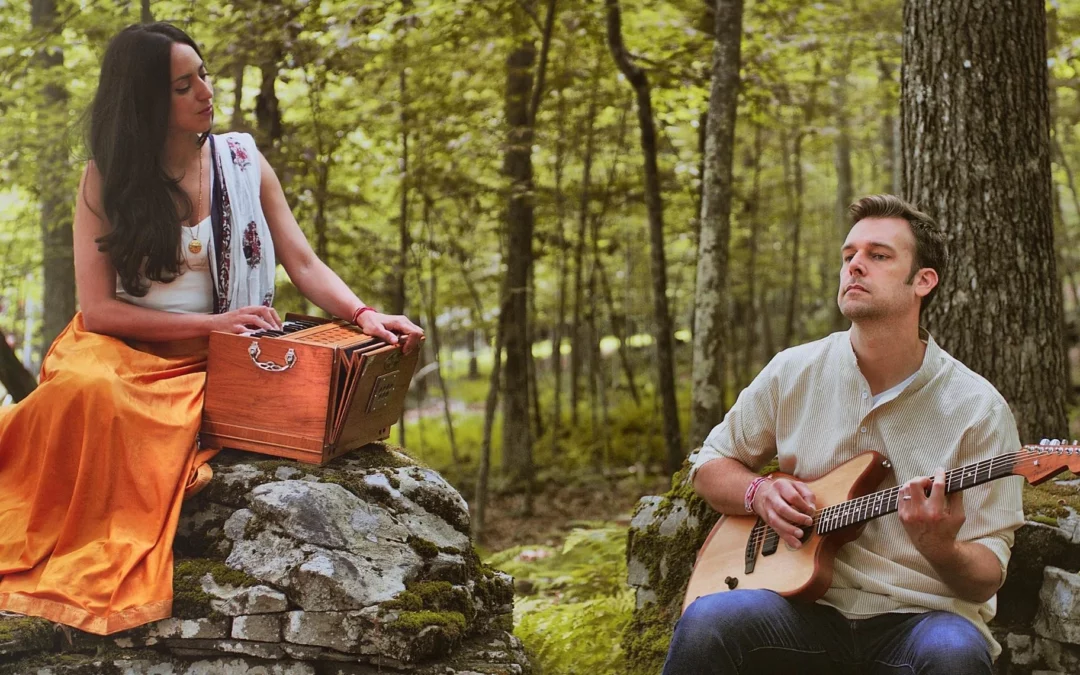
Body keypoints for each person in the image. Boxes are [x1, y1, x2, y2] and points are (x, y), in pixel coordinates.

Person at [0, 22, 423, 635]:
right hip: (125, 350)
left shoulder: (243, 160)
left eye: (203, 74)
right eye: (182, 84)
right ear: (147, 101)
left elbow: (301, 262)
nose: (204, 90)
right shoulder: (106, 178)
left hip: (223, 358)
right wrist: (214, 321)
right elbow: (98, 312)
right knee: (86, 393)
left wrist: (362, 315)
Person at [663, 195, 1025, 675]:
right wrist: (759, 491)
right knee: (709, 620)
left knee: (955, 654)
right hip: (796, 609)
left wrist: (940, 547)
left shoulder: (978, 408)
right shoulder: (794, 371)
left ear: (923, 281)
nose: (855, 266)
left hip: (921, 620)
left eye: (878, 256)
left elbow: (984, 579)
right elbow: (710, 466)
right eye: (848, 255)